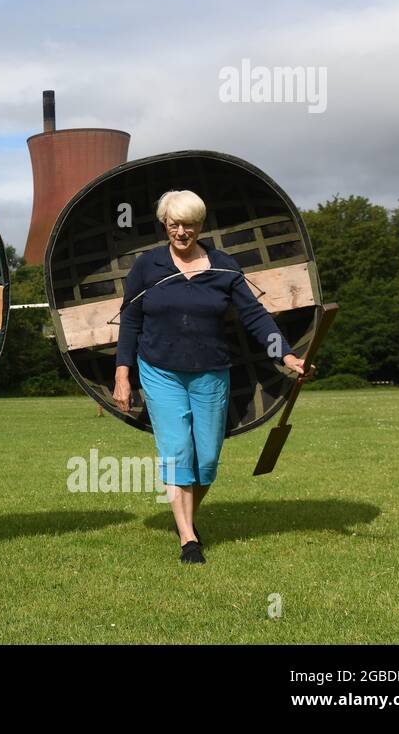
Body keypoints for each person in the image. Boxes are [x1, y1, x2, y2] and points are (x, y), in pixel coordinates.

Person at [112, 190, 313, 565]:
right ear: (164, 225)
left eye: (189, 224)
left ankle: (185, 518)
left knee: (206, 460)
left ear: (201, 225)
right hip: (160, 370)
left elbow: (254, 316)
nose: (182, 232)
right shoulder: (147, 266)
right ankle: (189, 540)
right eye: (174, 225)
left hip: (211, 372)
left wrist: (285, 353)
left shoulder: (223, 266)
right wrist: (123, 374)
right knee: (178, 452)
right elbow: (131, 321)